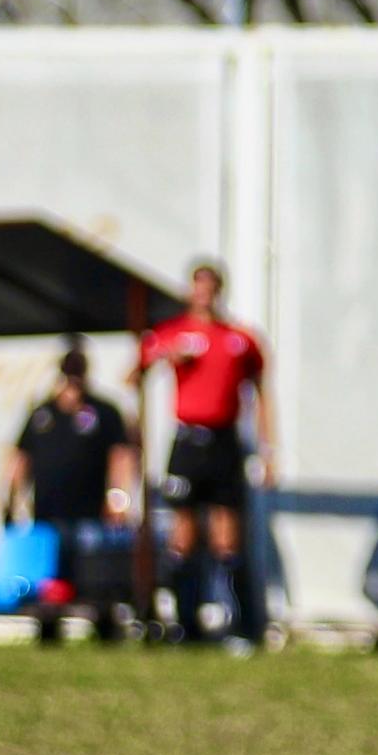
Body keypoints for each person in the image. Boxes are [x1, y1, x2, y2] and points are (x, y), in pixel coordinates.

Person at [138, 262, 269, 650]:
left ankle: (240, 626)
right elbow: (134, 372)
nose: (203, 295)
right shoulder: (174, 334)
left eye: (210, 288)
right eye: (198, 288)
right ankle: (183, 624)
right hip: (187, 441)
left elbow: (262, 394)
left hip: (224, 440)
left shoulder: (240, 339)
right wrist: (165, 357)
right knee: (182, 535)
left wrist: (267, 447)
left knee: (227, 537)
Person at [3, 346, 137, 644]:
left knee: (94, 576)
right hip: (49, 511)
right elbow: (21, 457)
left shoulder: (103, 412)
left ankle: (103, 625)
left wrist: (119, 497)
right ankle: (48, 628)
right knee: (51, 576)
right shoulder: (42, 413)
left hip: (90, 511)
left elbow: (121, 457)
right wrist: (11, 497)